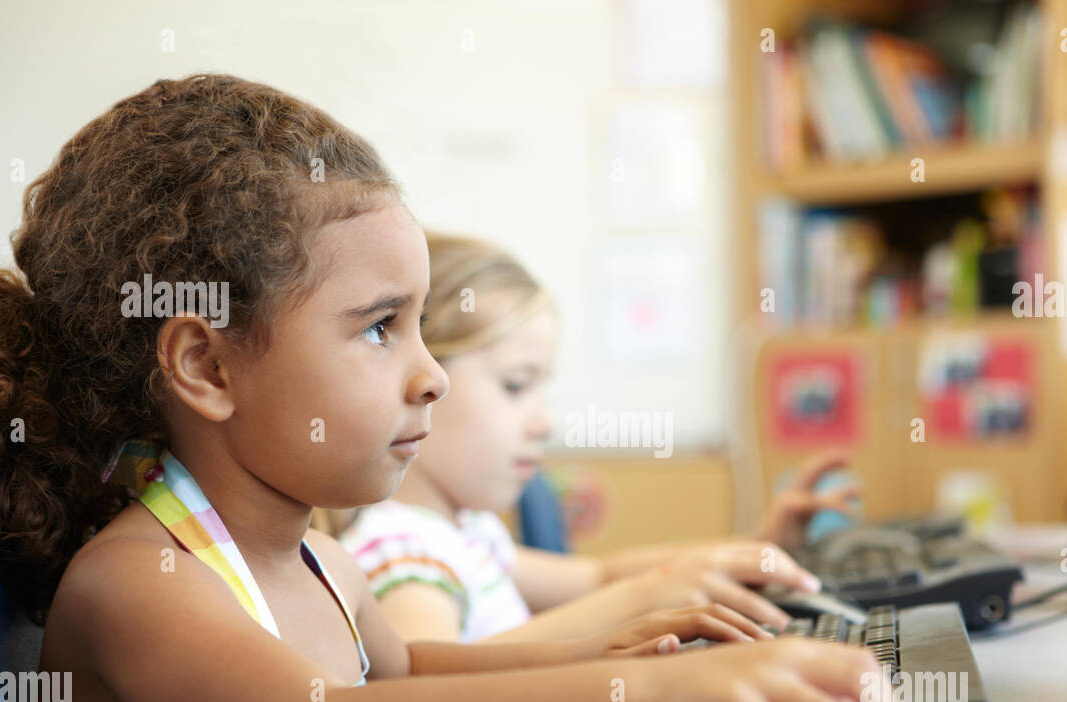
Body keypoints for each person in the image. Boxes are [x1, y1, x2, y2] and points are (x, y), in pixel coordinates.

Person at [0, 74, 915, 702]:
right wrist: (652, 699)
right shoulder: (140, 586)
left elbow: (410, 673)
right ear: (207, 367)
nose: (430, 376)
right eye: (381, 327)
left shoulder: (324, 563)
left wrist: (607, 655)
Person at [336, 232, 859, 644]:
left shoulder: (469, 535)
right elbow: (424, 687)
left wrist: (756, 549)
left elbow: (597, 577)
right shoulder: (403, 555)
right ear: (423, 382)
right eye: (517, 385)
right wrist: (643, 601)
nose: (544, 422)